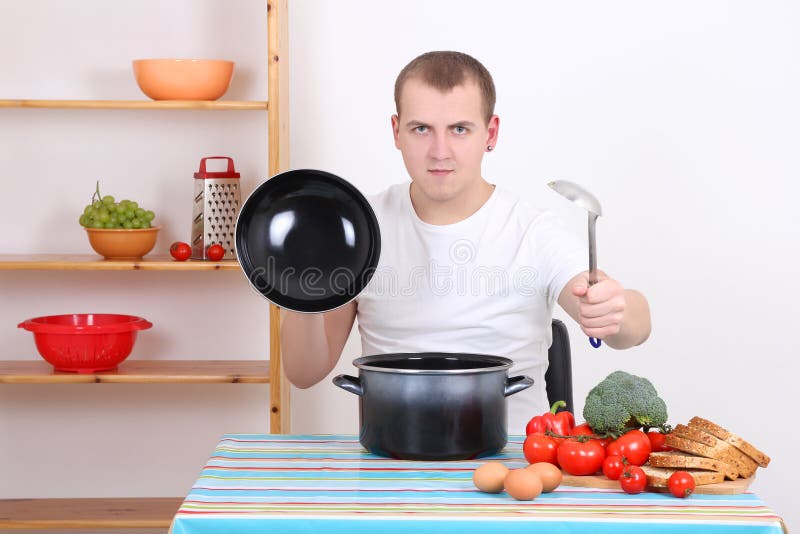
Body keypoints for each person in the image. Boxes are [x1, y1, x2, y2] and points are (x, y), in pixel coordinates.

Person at [280, 51, 651, 432]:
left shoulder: (533, 230)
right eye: (421, 129)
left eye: (459, 129)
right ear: (396, 132)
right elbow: (303, 373)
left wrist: (616, 311)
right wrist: (300, 287)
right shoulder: (358, 227)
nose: (440, 151)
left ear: (489, 134)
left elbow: (634, 329)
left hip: (515, 460)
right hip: (393, 454)